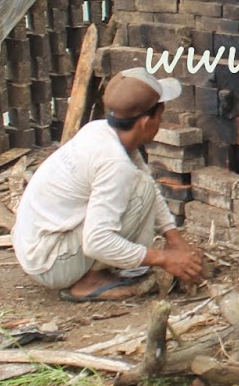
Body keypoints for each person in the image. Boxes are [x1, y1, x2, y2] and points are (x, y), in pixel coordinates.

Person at [13, 66, 207, 301]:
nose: (161, 122)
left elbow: (148, 188)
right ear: (145, 123)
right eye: (160, 115)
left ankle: (95, 270)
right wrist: (164, 258)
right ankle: (88, 282)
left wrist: (174, 239)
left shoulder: (100, 131)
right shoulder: (114, 163)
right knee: (139, 191)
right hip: (50, 263)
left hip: (37, 247)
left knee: (142, 186)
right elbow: (97, 242)